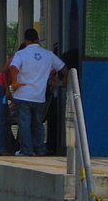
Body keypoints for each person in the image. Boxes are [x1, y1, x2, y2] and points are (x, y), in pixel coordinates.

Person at [9, 28, 67, 156]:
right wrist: (67, 82)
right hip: (39, 97)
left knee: (24, 124)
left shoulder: (21, 54)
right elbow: (63, 68)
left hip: (23, 95)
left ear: (25, 40)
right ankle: (40, 149)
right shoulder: (49, 54)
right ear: (37, 39)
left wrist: (15, 83)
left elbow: (13, 68)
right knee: (38, 124)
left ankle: (26, 151)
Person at [0, 45, 24, 155]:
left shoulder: (20, 61)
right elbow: (3, 71)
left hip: (2, 89)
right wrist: (7, 90)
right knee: (0, 118)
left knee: (6, 118)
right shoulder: (14, 59)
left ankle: (7, 147)